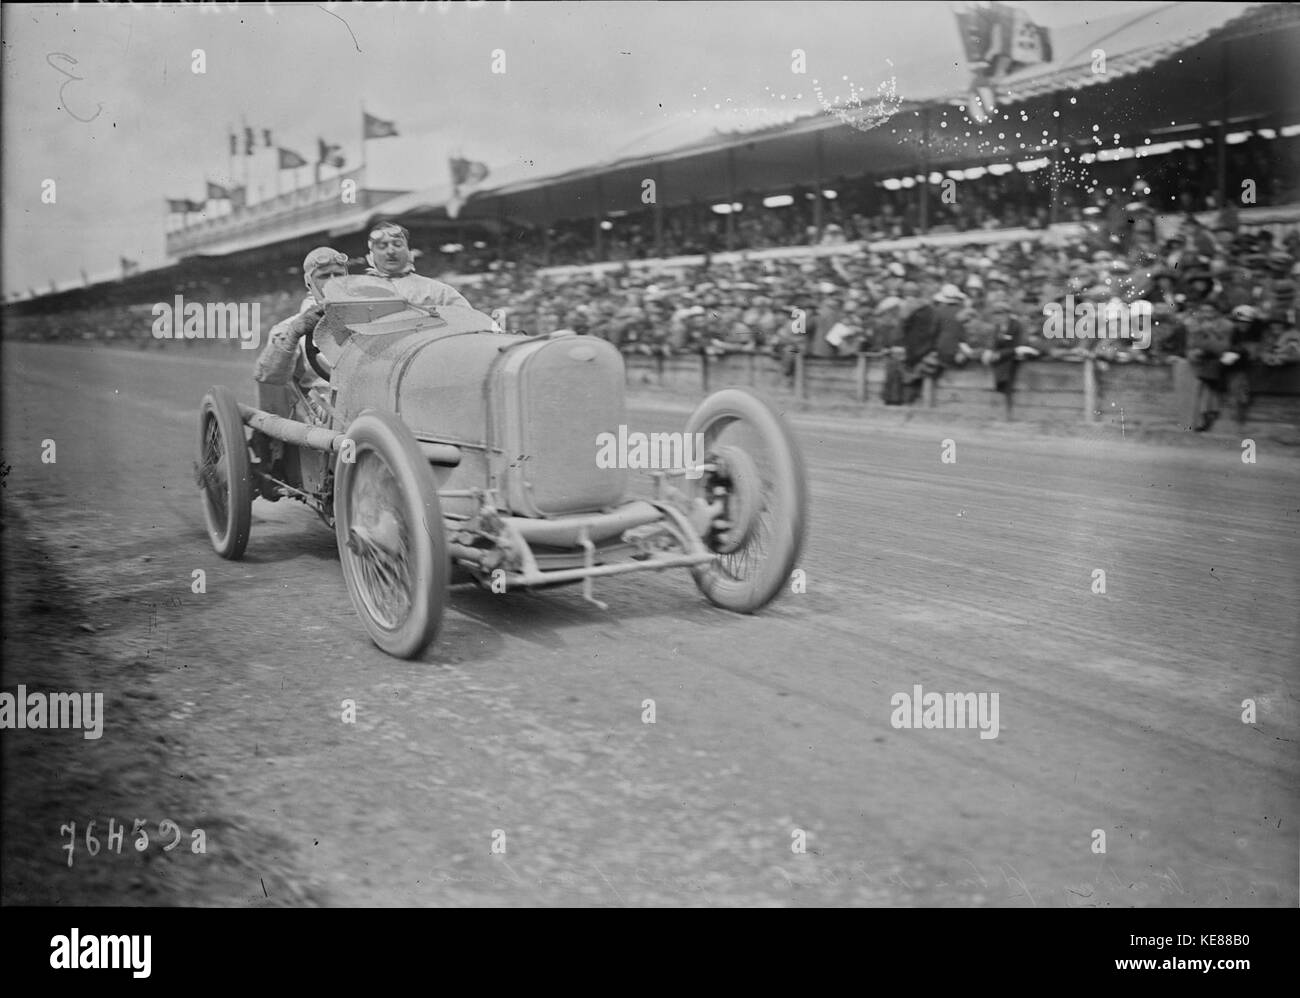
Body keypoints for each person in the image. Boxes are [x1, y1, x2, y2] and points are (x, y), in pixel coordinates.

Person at [363, 221, 474, 310]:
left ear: (409, 252)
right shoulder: (358, 293)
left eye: (397, 244)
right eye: (382, 246)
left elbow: (469, 322)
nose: (391, 251)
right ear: (371, 256)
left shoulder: (438, 292)